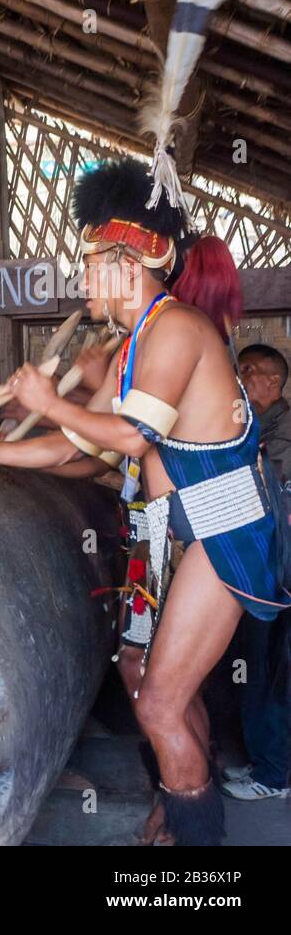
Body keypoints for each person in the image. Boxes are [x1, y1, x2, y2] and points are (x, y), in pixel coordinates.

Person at [0, 159, 290, 845]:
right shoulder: (133, 345)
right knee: (137, 671)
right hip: (159, 530)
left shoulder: (181, 328)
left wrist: (45, 399)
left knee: (160, 698)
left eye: (92, 262)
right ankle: (180, 794)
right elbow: (79, 450)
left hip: (217, 523)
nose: (83, 277)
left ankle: (195, 850)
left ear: (129, 264)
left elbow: (131, 433)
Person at [222, 343, 291, 803]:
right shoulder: (258, 425)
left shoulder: (282, 431)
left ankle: (275, 776)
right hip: (265, 564)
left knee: (272, 671)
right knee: (258, 665)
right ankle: (266, 760)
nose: (240, 380)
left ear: (272, 381)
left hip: (280, 570)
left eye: (247, 372)